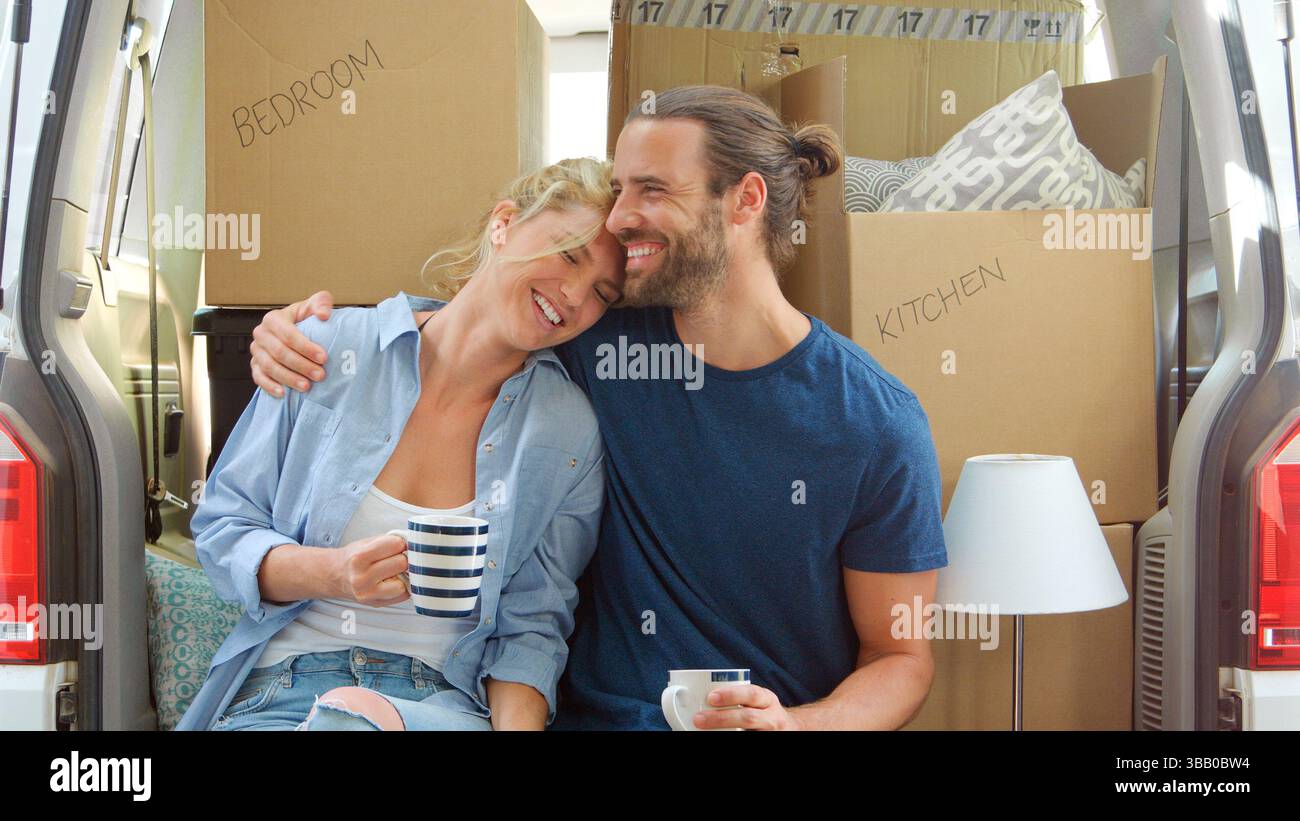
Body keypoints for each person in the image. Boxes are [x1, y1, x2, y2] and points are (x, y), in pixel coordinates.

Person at [248, 86, 949, 731]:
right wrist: (304, 332)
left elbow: (900, 656)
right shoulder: (596, 338)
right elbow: (473, 326)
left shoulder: (874, 422)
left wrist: (797, 725)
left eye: (650, 189)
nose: (619, 217)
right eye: (618, 190)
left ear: (744, 199)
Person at [174, 158, 626, 731]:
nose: (572, 295)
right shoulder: (322, 350)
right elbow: (223, 532)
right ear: (504, 223)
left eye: (602, 294)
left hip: (439, 705)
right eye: (568, 254)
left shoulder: (565, 431)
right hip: (280, 690)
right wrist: (332, 573)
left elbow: (531, 627)